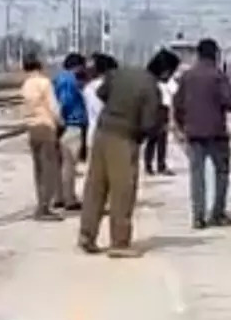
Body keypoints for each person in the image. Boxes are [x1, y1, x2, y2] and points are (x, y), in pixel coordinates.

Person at [78, 49, 180, 257]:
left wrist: (117, 108)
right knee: (122, 190)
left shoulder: (121, 73)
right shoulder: (151, 87)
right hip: (124, 139)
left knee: (95, 187)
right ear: (165, 71)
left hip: (101, 134)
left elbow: (101, 93)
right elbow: (149, 123)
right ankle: (120, 243)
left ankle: (86, 235)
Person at [174, 38, 231, 229]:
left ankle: (198, 217)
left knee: (197, 175)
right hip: (217, 133)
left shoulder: (187, 76)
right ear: (215, 54)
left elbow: (178, 104)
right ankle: (217, 214)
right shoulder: (218, 76)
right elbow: (229, 101)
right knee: (221, 173)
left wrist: (182, 126)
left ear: (198, 54)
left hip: (194, 134)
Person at [20, 53, 63, 221]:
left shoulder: (25, 85)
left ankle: (41, 203)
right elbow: (53, 106)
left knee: (38, 169)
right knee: (49, 169)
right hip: (46, 126)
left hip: (32, 128)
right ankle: (45, 208)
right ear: (39, 66)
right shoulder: (44, 83)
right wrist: (60, 120)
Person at [53, 52, 87, 210]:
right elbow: (64, 102)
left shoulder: (59, 78)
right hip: (72, 124)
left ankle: (59, 196)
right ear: (78, 66)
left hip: (63, 125)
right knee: (69, 164)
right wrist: (61, 120)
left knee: (60, 164)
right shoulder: (69, 81)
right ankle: (69, 199)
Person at [144, 73, 178, 175]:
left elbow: (175, 90)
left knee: (154, 140)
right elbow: (175, 91)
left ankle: (151, 165)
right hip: (160, 110)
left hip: (156, 110)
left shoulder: (152, 80)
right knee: (158, 140)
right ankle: (158, 165)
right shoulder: (166, 80)